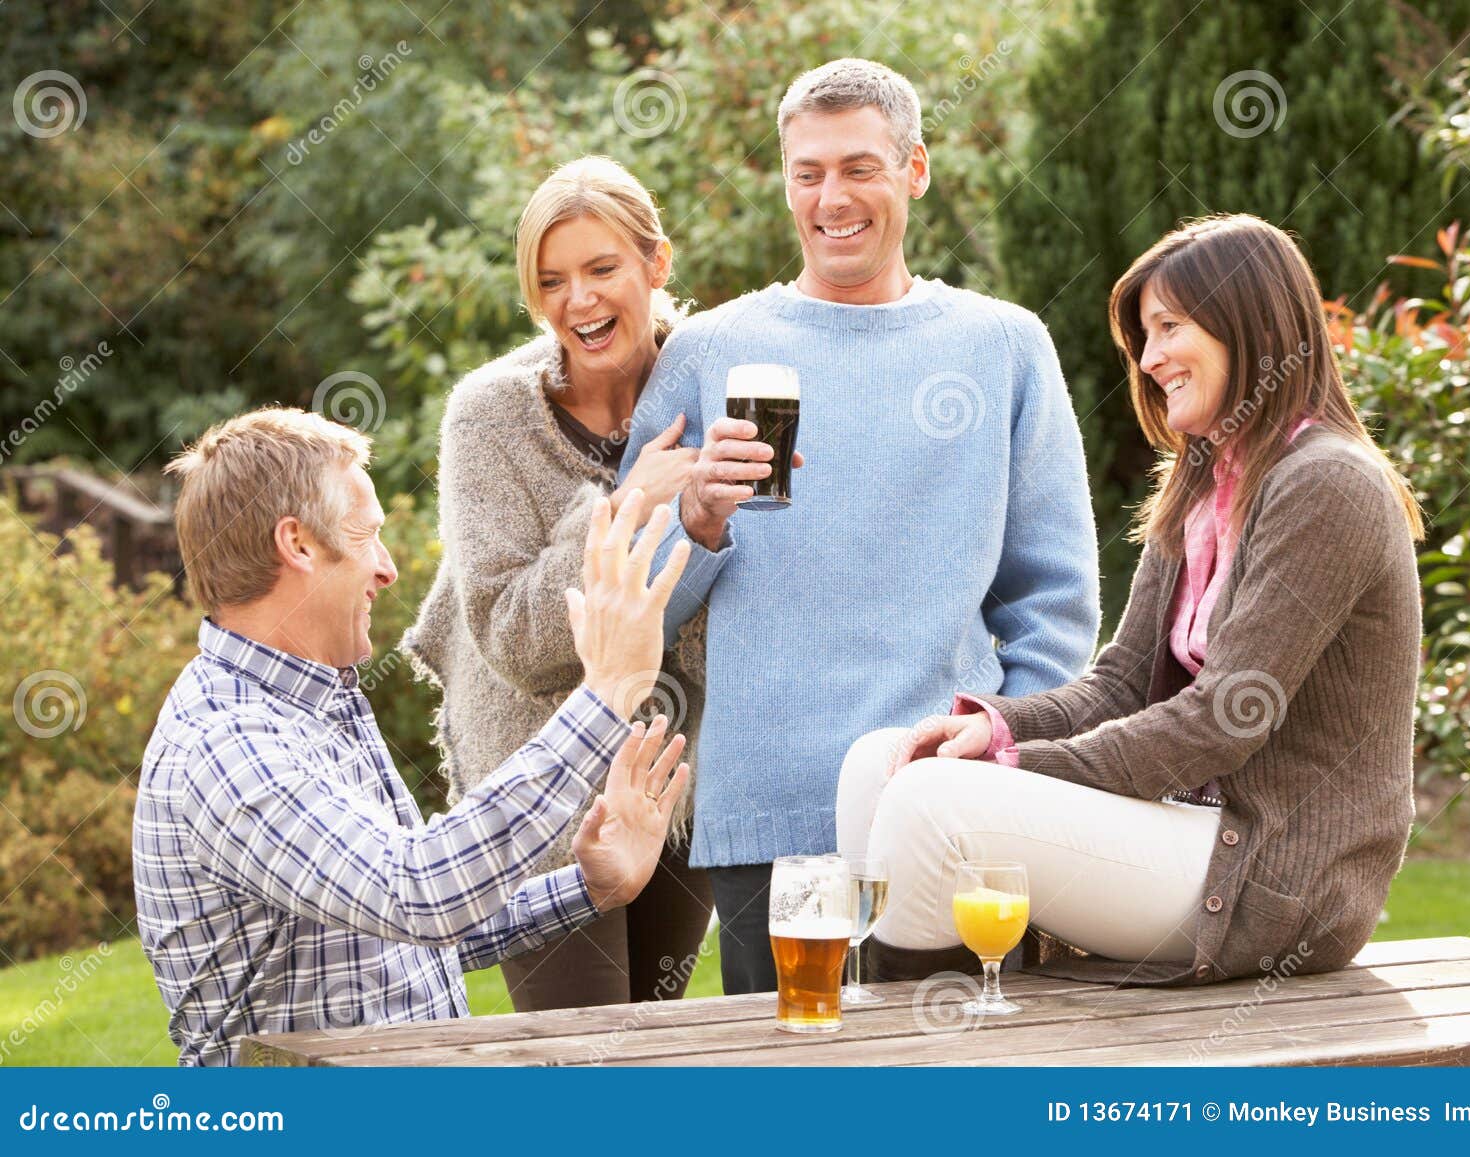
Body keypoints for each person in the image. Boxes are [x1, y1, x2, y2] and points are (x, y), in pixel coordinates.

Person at [836, 213, 1426, 987]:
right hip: (1188, 830)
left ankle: (904, 1062)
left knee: (932, 806)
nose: (1150, 360)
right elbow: (1118, 685)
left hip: (1272, 875)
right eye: (1144, 337)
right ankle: (924, 1032)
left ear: (1247, 323)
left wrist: (1016, 765)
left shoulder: (1326, 485)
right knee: (879, 763)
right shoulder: (1204, 485)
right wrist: (996, 724)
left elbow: (1223, 717)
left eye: (1170, 327)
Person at [619, 59, 1100, 994]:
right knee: (792, 1099)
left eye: (859, 167)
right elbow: (631, 607)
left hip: (945, 809)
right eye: (809, 173)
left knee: (958, 1097)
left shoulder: (1002, 346)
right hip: (774, 822)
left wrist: (1003, 753)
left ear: (914, 169)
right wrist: (698, 519)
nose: (831, 197)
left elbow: (1058, 596)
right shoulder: (710, 352)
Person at [133, 404, 692, 1065]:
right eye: (366, 535)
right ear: (300, 544)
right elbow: (419, 891)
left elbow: (407, 933)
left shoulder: (314, 705)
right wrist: (603, 695)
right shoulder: (227, 745)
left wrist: (591, 886)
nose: (388, 568)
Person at [403, 157, 714, 1011]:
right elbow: (512, 639)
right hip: (539, 791)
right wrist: (621, 506)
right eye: (551, 280)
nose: (578, 300)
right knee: (579, 1063)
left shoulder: (714, 381)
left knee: (653, 1041)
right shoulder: (490, 416)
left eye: (602, 268)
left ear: (657, 264)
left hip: (675, 777)